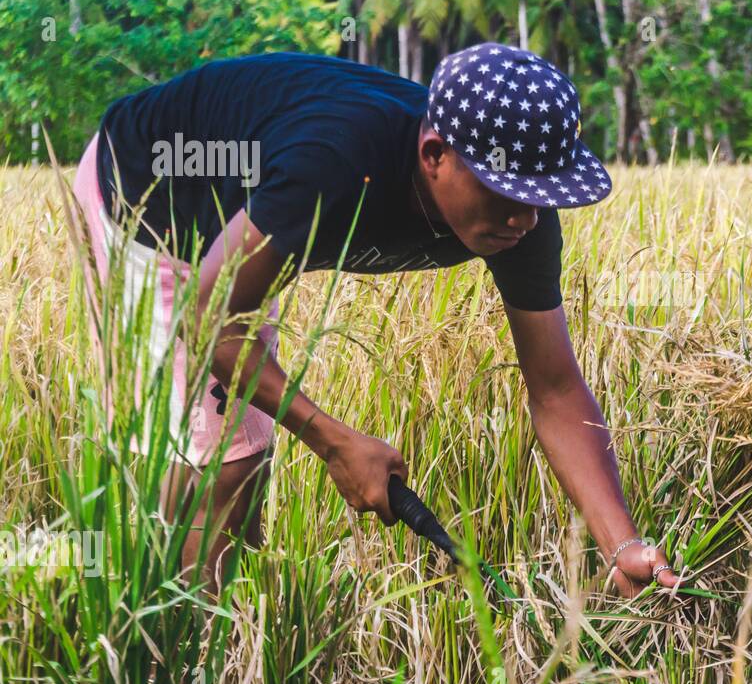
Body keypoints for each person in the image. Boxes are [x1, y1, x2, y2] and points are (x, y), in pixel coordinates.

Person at [68, 43, 681, 597]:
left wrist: (621, 543)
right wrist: (335, 441)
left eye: (540, 196)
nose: (524, 217)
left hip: (247, 223)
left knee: (243, 465)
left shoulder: (520, 222)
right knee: (222, 462)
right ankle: (174, 662)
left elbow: (555, 389)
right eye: (505, 190)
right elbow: (211, 317)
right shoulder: (333, 164)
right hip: (149, 194)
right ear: (435, 155)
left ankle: (227, 635)